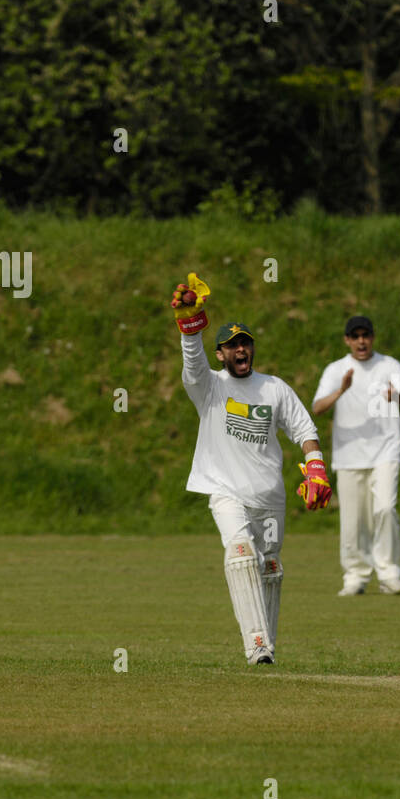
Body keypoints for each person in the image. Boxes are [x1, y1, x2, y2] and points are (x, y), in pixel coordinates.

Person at [170, 279, 331, 665]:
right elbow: (192, 365)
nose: (240, 349)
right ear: (221, 354)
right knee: (240, 553)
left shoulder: (274, 388)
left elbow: (305, 430)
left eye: (245, 343)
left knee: (270, 567)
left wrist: (316, 469)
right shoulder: (209, 386)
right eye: (231, 345)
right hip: (226, 492)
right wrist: (191, 325)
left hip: (270, 497)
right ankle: (256, 643)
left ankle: (267, 650)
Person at [313, 316, 400, 596]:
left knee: (385, 509)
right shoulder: (336, 370)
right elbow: (318, 407)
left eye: (365, 335)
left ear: (373, 337)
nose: (361, 341)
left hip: (386, 451)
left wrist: (398, 398)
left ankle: (389, 572)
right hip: (348, 454)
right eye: (355, 336)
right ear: (347, 340)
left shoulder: (390, 365)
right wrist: (342, 390)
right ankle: (355, 575)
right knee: (353, 520)